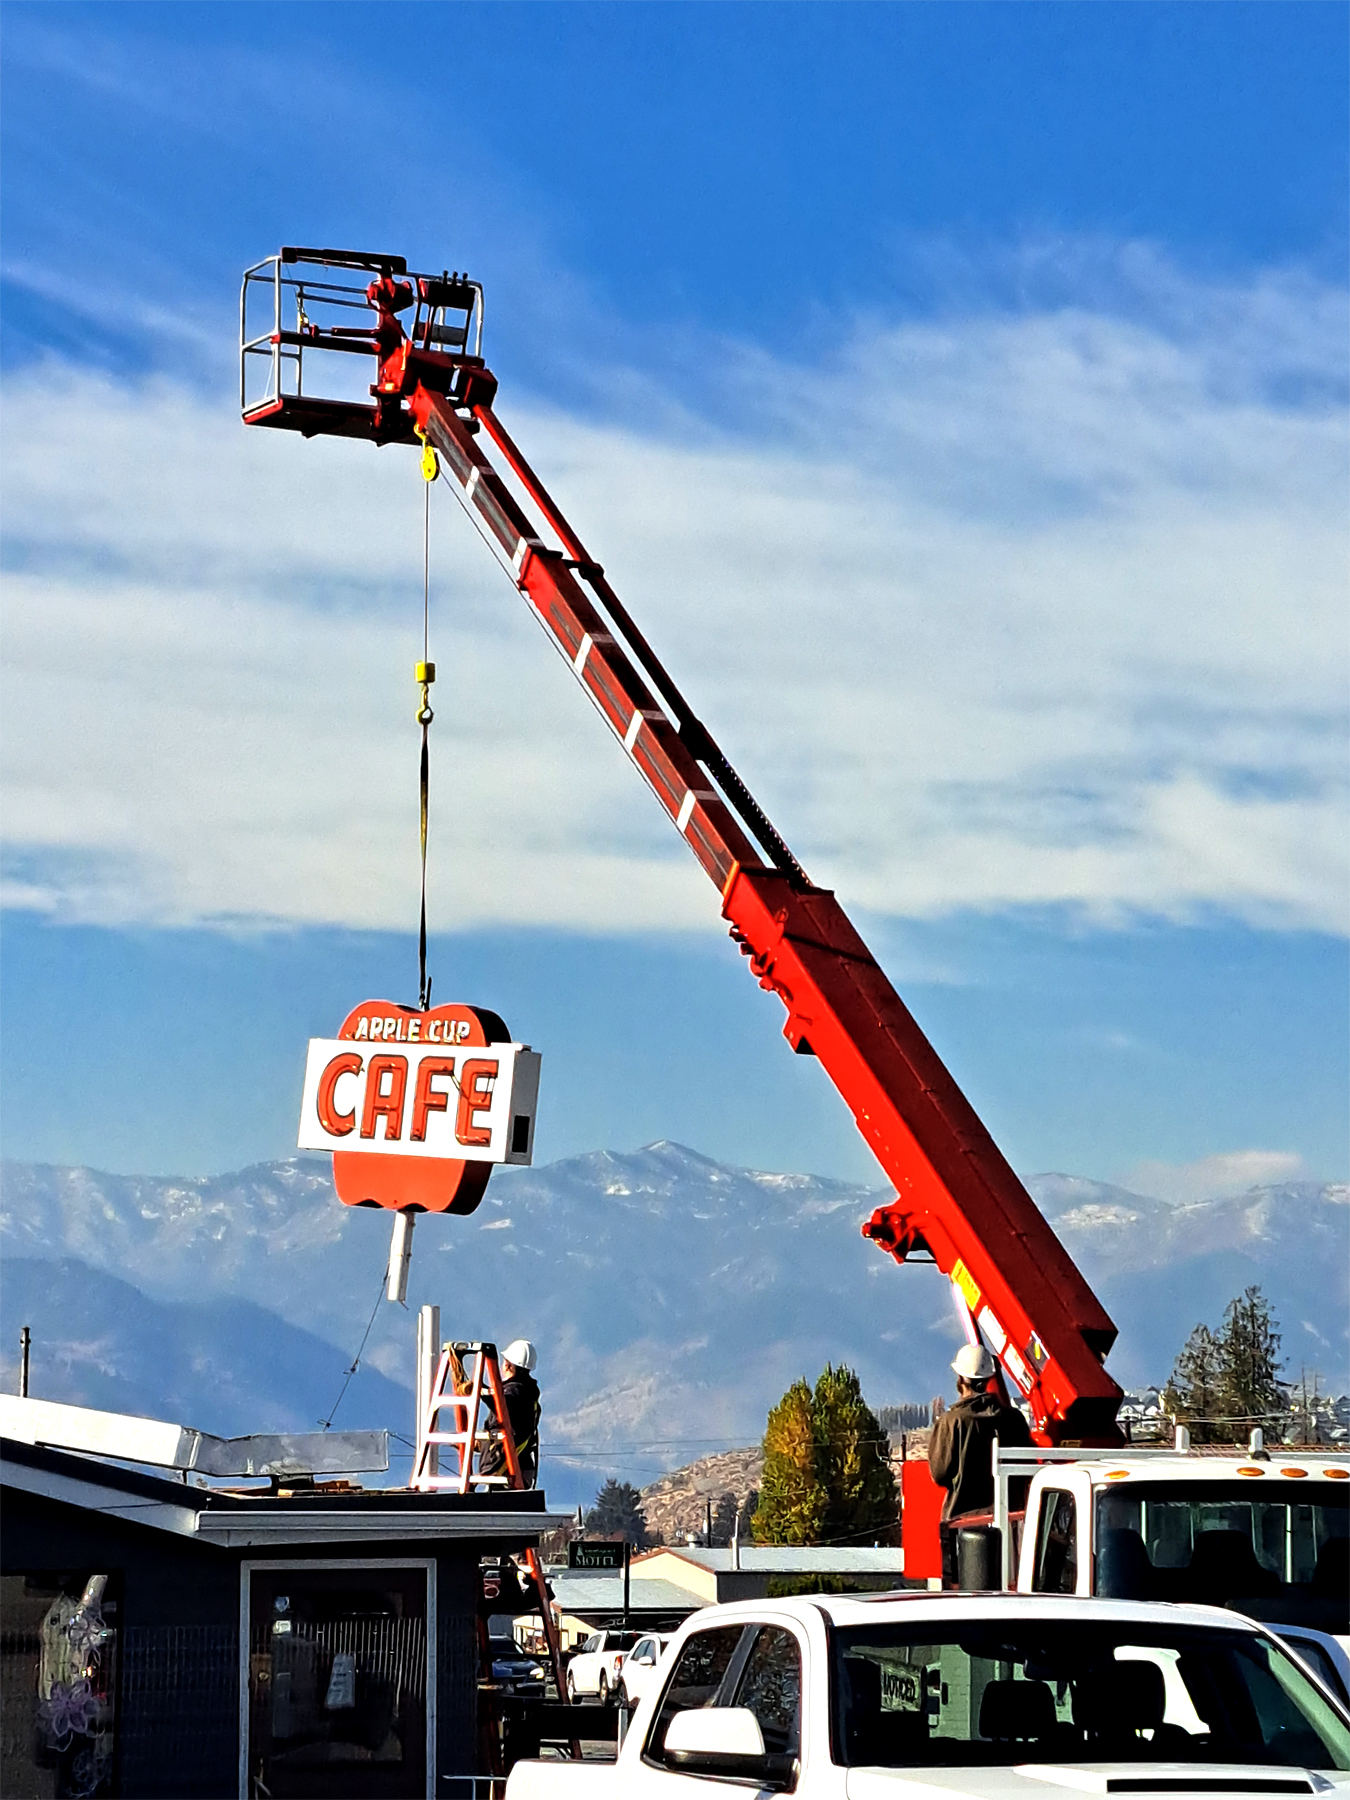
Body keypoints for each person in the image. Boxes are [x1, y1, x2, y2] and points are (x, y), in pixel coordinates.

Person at [928, 1344, 1031, 1523]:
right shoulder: (1015, 1419)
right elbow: (1026, 1468)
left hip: (965, 1524)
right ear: (990, 1377)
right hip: (1011, 1522)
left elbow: (940, 1473)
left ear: (961, 1379)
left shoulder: (952, 1422)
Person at [480, 1339, 542, 1487]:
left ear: (507, 1365)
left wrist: (478, 1390)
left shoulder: (515, 1391)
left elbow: (503, 1405)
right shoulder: (527, 1392)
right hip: (519, 1468)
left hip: (510, 1470)